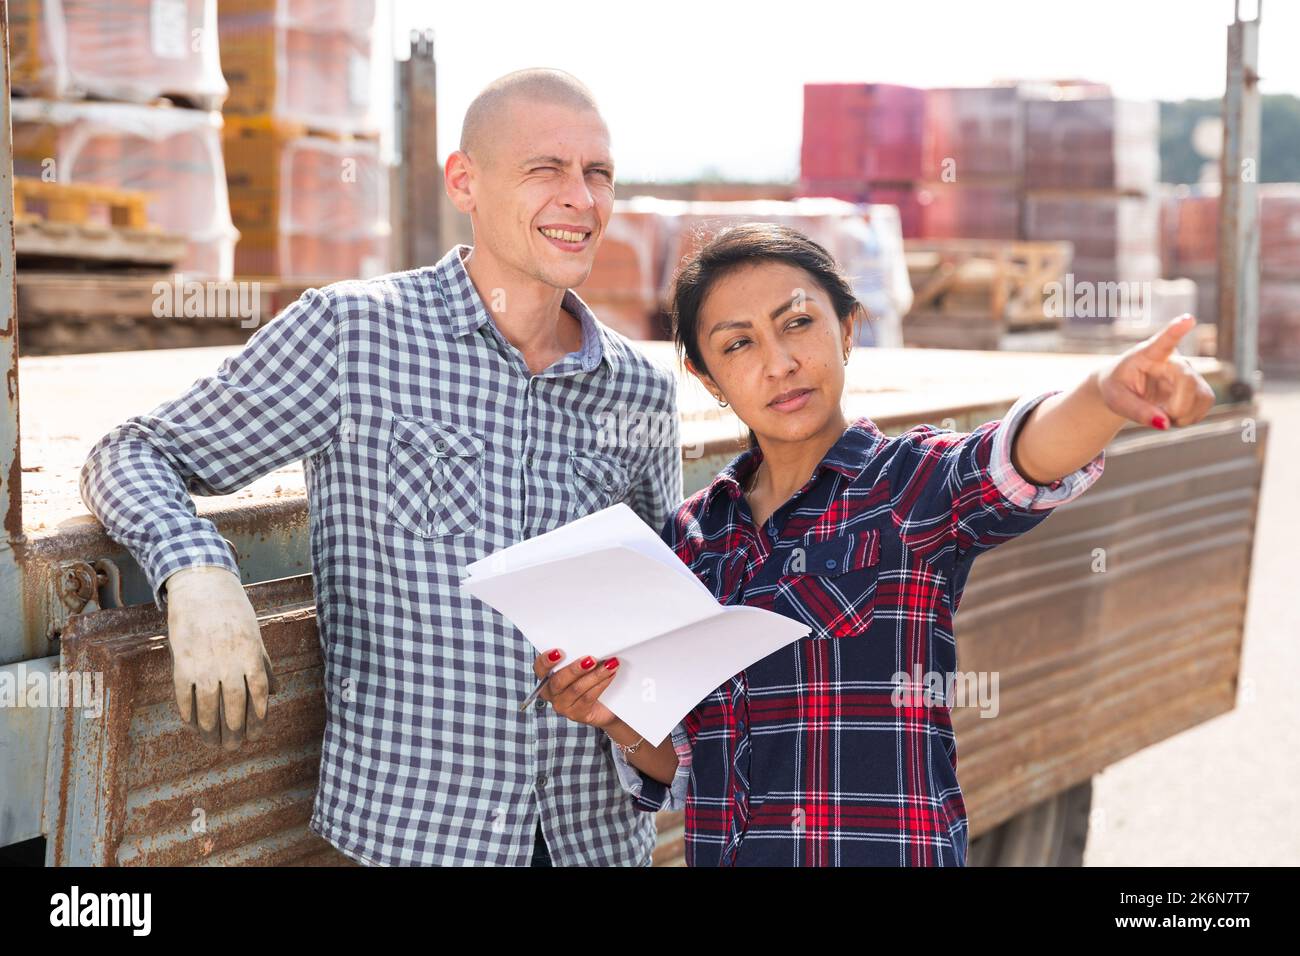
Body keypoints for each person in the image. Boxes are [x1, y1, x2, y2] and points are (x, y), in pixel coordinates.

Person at [78, 68, 682, 867]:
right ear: (464, 182)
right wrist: (195, 572)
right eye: (546, 169)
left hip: (595, 840)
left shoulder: (638, 388)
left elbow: (664, 643)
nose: (581, 198)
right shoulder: (353, 336)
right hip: (420, 839)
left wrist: (638, 717)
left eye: (597, 173)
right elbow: (130, 451)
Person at [534, 222, 1215, 866]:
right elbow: (686, 758)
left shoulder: (906, 489)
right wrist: (615, 716)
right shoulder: (691, 539)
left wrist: (1103, 395)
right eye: (738, 344)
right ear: (708, 379)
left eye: (798, 323)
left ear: (847, 330)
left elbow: (1012, 462)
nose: (780, 363)